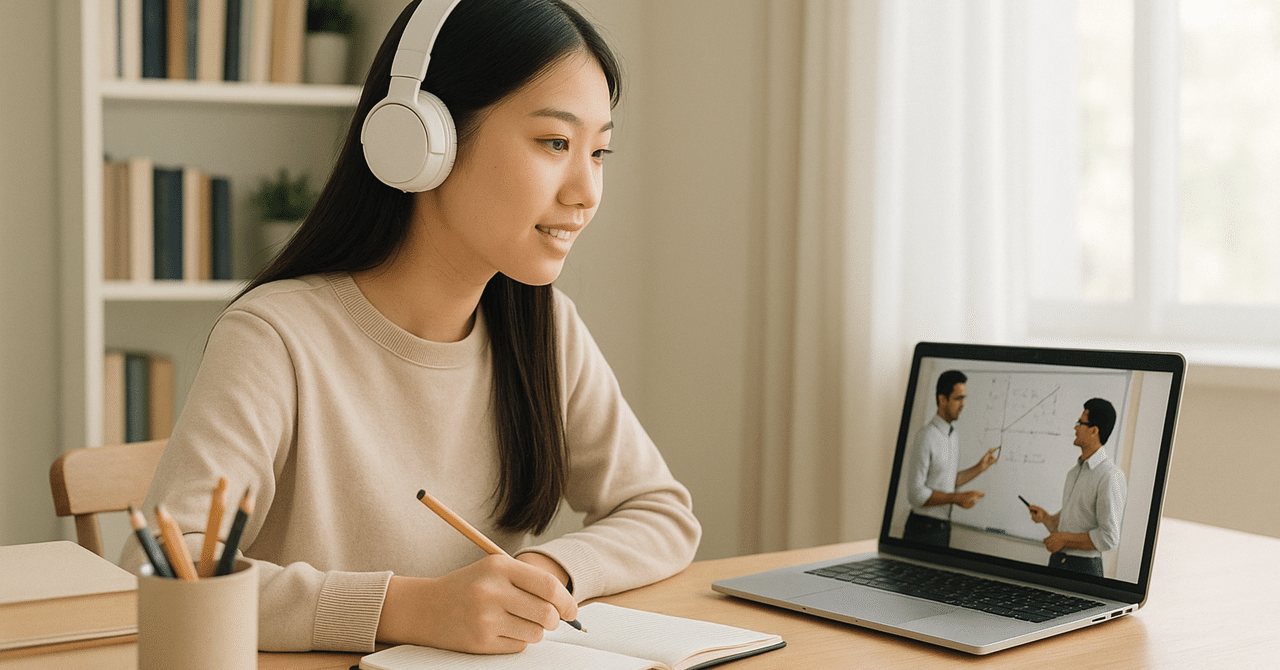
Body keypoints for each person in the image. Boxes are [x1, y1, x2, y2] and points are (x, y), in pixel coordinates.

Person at [121, 0, 701, 655]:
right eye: (555, 143)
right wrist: (407, 608)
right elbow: (167, 570)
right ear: (422, 138)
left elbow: (660, 513)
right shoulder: (276, 336)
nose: (587, 192)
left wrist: (545, 573)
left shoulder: (545, 329)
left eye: (599, 151)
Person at [1027, 398, 1127, 577]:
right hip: (1057, 563)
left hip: (1085, 569)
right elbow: (1070, 525)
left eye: (1080, 423)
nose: (1075, 427)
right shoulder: (1074, 472)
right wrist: (1046, 519)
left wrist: (1064, 539)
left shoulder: (1110, 476)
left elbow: (1109, 537)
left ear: (1094, 431)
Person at [902, 370, 998, 547]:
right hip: (922, 530)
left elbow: (946, 482)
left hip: (942, 530)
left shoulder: (952, 436)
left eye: (964, 398)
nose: (963, 405)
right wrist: (957, 498)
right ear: (942, 399)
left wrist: (980, 467)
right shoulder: (926, 436)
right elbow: (916, 494)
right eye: (958, 398)